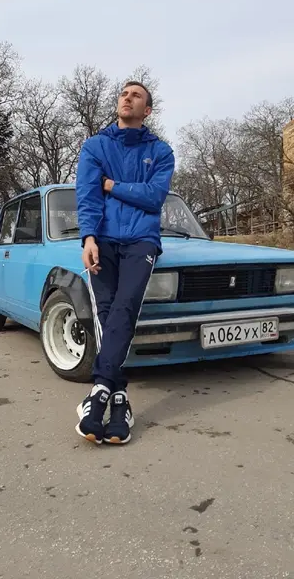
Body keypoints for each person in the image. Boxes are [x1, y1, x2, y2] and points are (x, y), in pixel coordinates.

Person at [75, 81, 175, 445]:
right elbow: (87, 194)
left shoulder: (160, 151)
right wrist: (88, 237)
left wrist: (113, 186)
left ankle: (99, 388)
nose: (127, 98)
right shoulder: (95, 146)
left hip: (141, 240)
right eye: (124, 93)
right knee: (106, 312)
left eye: (136, 95)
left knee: (126, 305)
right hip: (102, 239)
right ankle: (119, 399)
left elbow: (154, 197)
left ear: (147, 110)